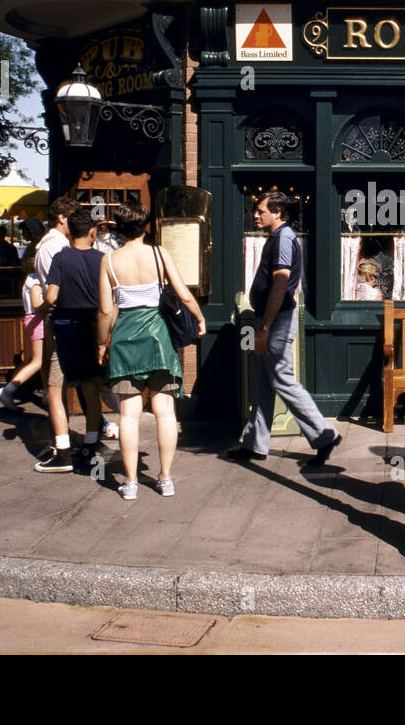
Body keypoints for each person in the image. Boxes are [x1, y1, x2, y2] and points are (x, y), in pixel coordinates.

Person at [98, 201, 204, 499]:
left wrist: (100, 342)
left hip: (124, 341)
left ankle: (130, 482)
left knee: (128, 414)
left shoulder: (109, 261)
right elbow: (183, 293)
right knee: (165, 411)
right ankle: (165, 478)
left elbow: (106, 311)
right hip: (157, 340)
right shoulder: (159, 253)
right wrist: (198, 317)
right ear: (146, 225)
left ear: (120, 227)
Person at [227, 191, 341, 466]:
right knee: (263, 382)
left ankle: (325, 434)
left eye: (261, 210)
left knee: (281, 378)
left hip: (276, 320)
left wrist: (265, 325)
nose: (255, 214)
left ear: (278, 213)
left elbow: (280, 283)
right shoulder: (277, 238)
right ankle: (255, 445)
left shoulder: (285, 239)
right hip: (269, 319)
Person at [39, 210, 108, 472]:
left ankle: (63, 450)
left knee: (55, 389)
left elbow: (53, 296)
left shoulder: (61, 258)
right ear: (92, 231)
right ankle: (90, 445)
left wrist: (41, 304)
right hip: (91, 328)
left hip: (65, 328)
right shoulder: (102, 259)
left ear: (70, 230)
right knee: (91, 389)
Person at [30, 197, 77, 471]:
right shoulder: (56, 247)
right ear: (61, 217)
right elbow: (56, 291)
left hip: (59, 321)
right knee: (55, 388)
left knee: (60, 385)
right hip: (61, 321)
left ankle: (67, 446)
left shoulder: (52, 246)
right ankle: (63, 451)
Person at [0, 250, 45, 407]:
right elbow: (37, 303)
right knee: (38, 361)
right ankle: (8, 390)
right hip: (38, 320)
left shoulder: (29, 278)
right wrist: (52, 301)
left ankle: (47, 393)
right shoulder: (36, 280)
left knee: (43, 360)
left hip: (32, 319)